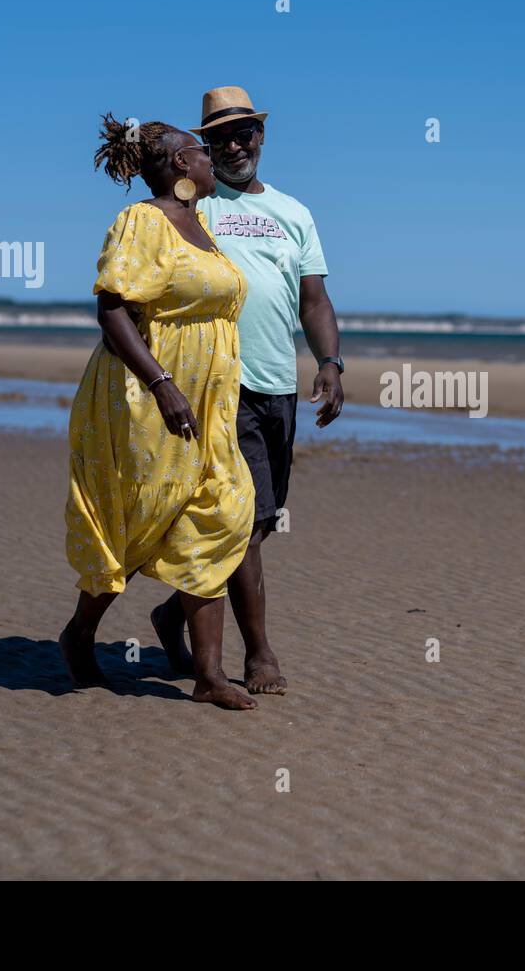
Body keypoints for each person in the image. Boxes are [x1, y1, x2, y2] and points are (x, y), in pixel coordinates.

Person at [149, 86, 344, 696]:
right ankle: (258, 655)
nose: (235, 144)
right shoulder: (194, 204)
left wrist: (330, 362)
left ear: (262, 136)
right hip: (213, 384)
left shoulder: (295, 212)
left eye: (245, 132)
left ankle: (173, 613)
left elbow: (314, 300)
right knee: (243, 521)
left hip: (276, 385)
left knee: (263, 516)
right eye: (221, 136)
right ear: (203, 146)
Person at [60, 113, 259, 710]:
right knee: (140, 518)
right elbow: (113, 309)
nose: (209, 159)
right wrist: (163, 385)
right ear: (179, 164)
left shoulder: (200, 224)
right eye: (200, 152)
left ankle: (208, 676)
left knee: (221, 510)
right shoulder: (142, 221)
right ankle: (80, 634)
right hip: (146, 396)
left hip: (210, 402)